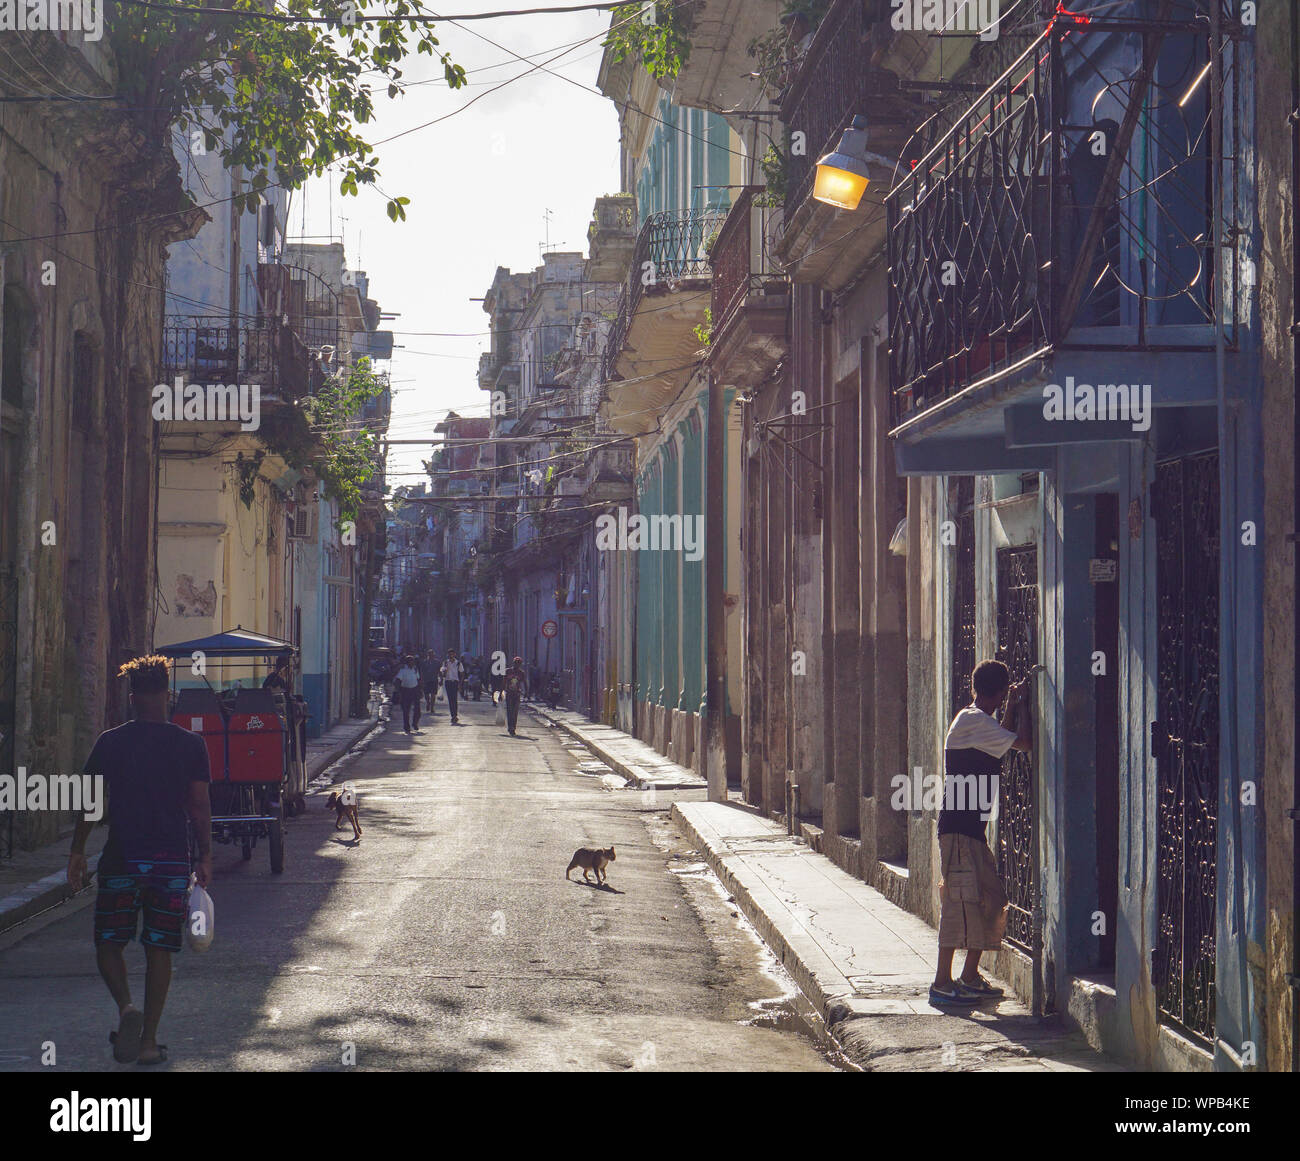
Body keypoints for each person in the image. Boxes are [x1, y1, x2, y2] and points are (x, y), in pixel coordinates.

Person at [67, 655, 212, 1066]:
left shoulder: (110, 742)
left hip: (121, 859)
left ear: (132, 698)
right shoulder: (190, 744)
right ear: (167, 694)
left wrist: (77, 851)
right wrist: (205, 857)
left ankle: (126, 1008)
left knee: (108, 943)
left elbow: (90, 804)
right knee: (158, 950)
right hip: (169, 862)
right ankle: (148, 1042)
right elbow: (199, 807)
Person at [929, 659, 1032, 1007]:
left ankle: (970, 976)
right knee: (959, 904)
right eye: (1005, 694)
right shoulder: (972, 720)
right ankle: (942, 982)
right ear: (999, 692)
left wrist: (1013, 706)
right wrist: (1022, 711)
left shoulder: (978, 723)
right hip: (958, 830)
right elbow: (1024, 744)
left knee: (990, 900)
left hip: (971, 830)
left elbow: (999, 741)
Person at [393, 654, 423, 733]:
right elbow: (398, 681)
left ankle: (415, 723)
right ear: (407, 663)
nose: (412, 663)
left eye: (412, 661)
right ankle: (406, 727)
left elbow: (418, 679)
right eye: (410, 662)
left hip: (415, 690)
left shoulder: (415, 669)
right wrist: (398, 691)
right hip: (405, 691)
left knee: (417, 710)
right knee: (406, 710)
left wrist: (420, 690)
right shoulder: (402, 670)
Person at [503, 656, 529, 736]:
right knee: (510, 711)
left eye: (518, 664)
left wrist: (526, 692)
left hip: (517, 694)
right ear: (513, 663)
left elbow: (524, 682)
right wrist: (502, 691)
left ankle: (513, 727)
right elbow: (503, 682)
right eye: (516, 663)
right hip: (509, 693)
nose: (517, 665)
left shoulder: (521, 673)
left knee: (515, 712)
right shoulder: (508, 671)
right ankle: (510, 727)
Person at [440, 650, 465, 724]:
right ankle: (452, 715)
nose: (451, 655)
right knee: (450, 700)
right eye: (449, 654)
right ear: (448, 655)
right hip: (448, 682)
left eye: (452, 654)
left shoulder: (458, 663)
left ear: (454, 654)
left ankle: (455, 715)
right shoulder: (445, 662)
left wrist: (460, 684)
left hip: (455, 682)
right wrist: (445, 671)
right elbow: (443, 673)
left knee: (454, 699)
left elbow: (462, 673)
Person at [420, 650, 440, 715]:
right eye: (429, 654)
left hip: (434, 680)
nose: (431, 655)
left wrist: (441, 679)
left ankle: (432, 707)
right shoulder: (424, 662)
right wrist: (422, 680)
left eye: (432, 654)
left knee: (433, 694)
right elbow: (422, 672)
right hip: (426, 680)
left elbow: (439, 671)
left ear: (434, 655)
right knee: (426, 694)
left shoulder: (437, 662)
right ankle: (428, 702)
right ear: (428, 655)